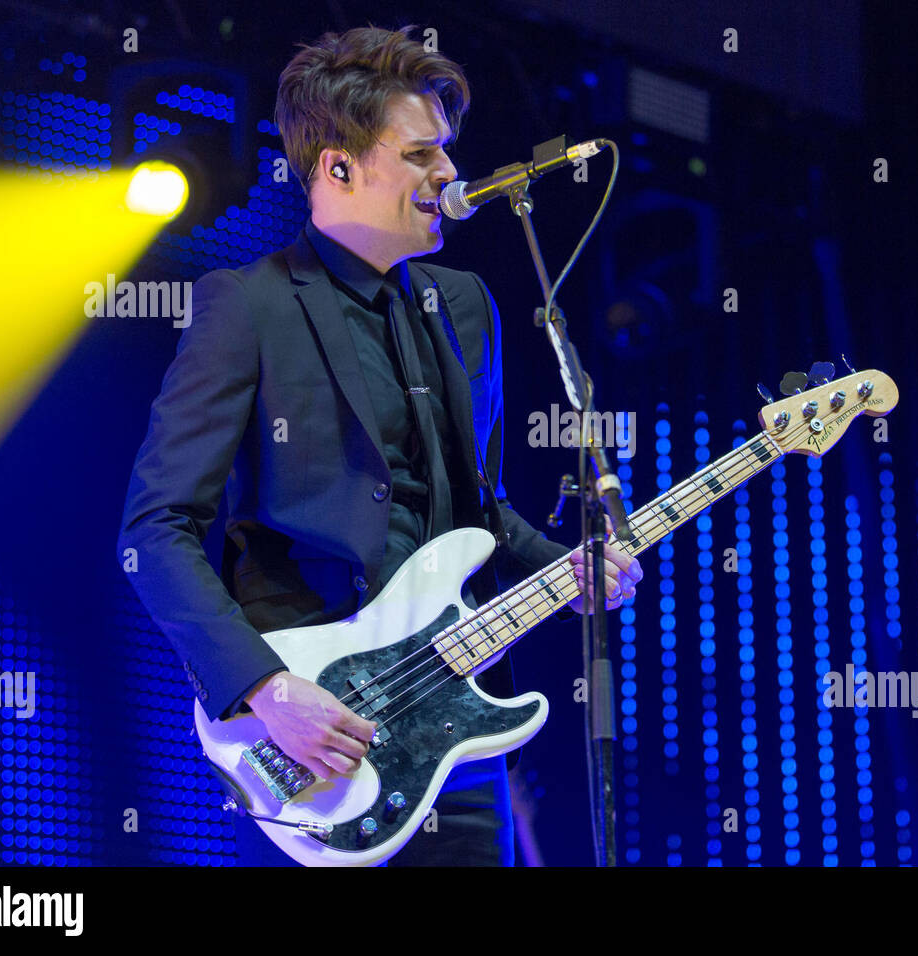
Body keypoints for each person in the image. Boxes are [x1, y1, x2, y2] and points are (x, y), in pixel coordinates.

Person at [118, 24, 642, 866]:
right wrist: (263, 687)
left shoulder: (467, 305)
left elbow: (482, 511)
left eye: (449, 153)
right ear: (339, 166)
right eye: (424, 155)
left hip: (453, 732)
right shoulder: (247, 305)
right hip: (309, 735)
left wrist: (570, 564)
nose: (449, 176)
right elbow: (155, 527)